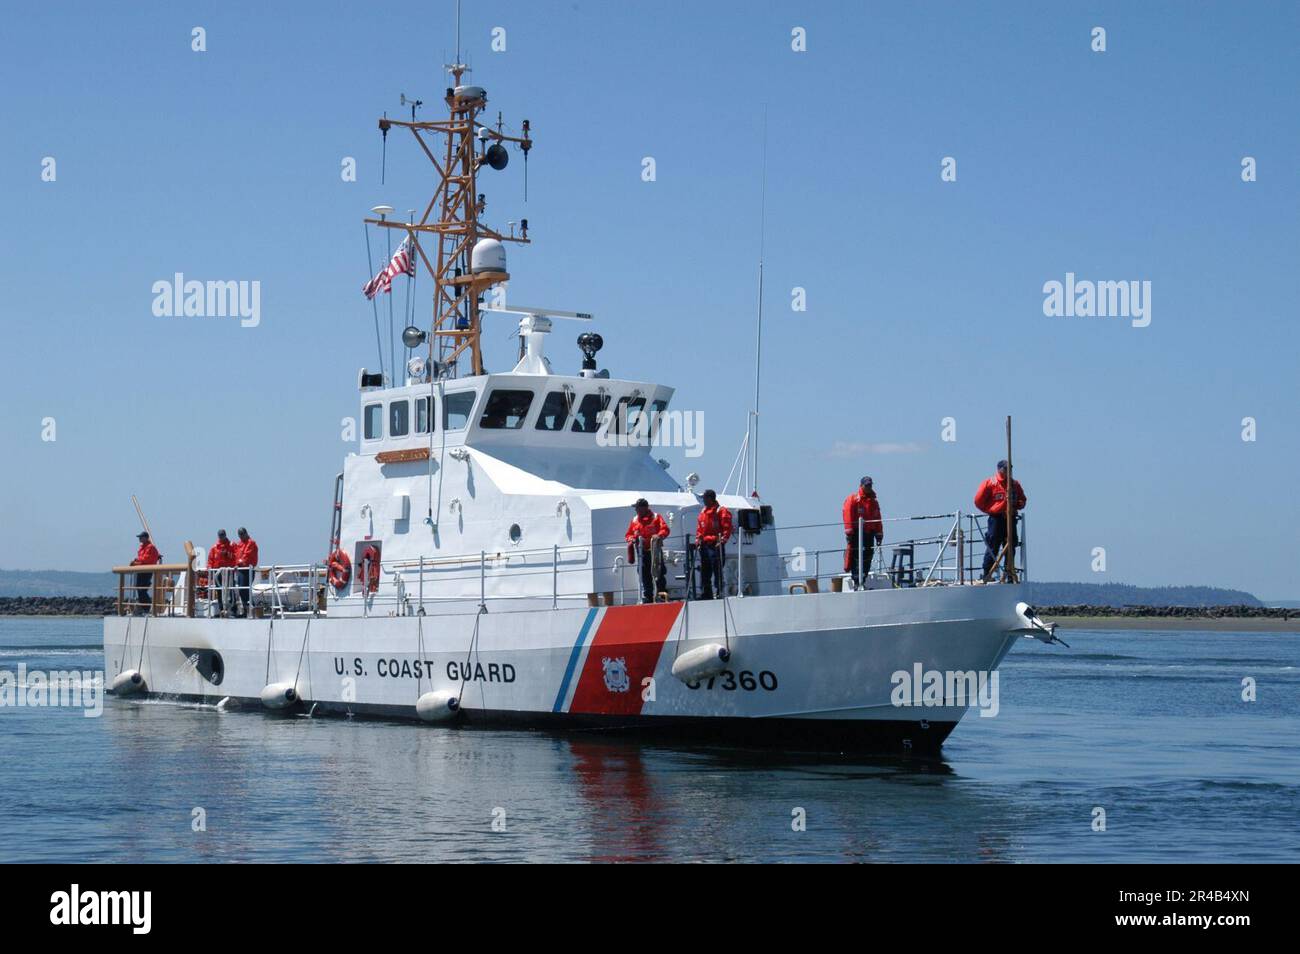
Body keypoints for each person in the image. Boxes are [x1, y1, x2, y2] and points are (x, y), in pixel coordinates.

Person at [975, 460, 1027, 580]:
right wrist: (991, 510)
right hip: (996, 519)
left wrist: (1017, 504)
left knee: (1010, 545)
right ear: (999, 469)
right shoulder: (990, 483)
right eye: (1005, 469)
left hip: (1010, 518)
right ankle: (987, 573)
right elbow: (978, 501)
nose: (1008, 471)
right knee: (993, 545)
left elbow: (1023, 500)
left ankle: (1009, 573)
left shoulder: (1015, 484)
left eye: (1009, 469)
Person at [842, 476, 883, 588]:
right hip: (856, 533)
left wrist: (879, 535)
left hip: (869, 534)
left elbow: (878, 519)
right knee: (856, 557)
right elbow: (847, 514)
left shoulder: (874, 502)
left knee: (867, 557)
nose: (869, 487)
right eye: (867, 485)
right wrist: (849, 532)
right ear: (861, 486)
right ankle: (856, 581)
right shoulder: (853, 499)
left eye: (870, 485)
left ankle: (862, 580)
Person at [625, 498, 669, 603]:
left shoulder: (656, 517)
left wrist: (658, 536)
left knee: (658, 571)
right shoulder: (635, 520)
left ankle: (661, 594)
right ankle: (648, 596)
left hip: (655, 550)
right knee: (644, 573)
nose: (636, 510)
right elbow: (628, 534)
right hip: (642, 552)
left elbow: (665, 529)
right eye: (636, 508)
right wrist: (631, 539)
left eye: (637, 508)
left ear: (644, 508)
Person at [695, 489, 732, 600]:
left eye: (705, 498)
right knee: (705, 570)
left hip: (716, 545)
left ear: (711, 498)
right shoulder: (703, 513)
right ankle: (706, 593)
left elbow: (727, 527)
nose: (704, 501)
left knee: (717, 569)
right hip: (704, 546)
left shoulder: (721, 511)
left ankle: (719, 591)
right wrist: (698, 540)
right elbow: (699, 529)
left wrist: (722, 541)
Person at [129, 531, 161, 614]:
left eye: (141, 537)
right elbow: (141, 559)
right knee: (139, 588)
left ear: (146, 538)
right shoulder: (142, 547)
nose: (139, 538)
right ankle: (144, 607)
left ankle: (147, 607)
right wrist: (136, 562)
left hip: (147, 570)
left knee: (142, 589)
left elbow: (146, 560)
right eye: (139, 537)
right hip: (141, 570)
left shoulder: (150, 547)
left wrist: (136, 563)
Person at [207, 529, 236, 617]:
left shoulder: (232, 545)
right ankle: (221, 610)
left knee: (230, 589)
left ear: (225, 535)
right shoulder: (214, 547)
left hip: (229, 571)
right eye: (220, 535)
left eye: (223, 535)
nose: (221, 537)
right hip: (217, 573)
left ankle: (233, 609)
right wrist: (210, 570)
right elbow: (210, 560)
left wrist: (227, 554)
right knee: (219, 591)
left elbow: (236, 556)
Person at [232, 527, 259, 618]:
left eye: (242, 534)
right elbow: (237, 555)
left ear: (246, 533)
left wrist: (239, 563)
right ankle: (246, 610)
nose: (241, 536)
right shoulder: (240, 544)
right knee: (241, 590)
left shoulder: (251, 543)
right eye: (240, 535)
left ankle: (252, 609)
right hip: (241, 570)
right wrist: (236, 564)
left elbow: (246, 556)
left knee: (244, 590)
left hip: (248, 570)